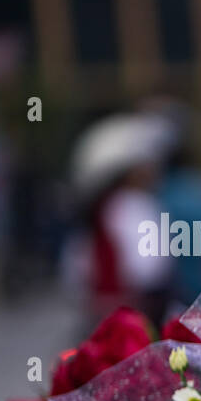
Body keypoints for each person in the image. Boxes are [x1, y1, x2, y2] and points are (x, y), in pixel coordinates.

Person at [60, 113, 174, 326]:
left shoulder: (95, 213)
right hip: (137, 323)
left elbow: (74, 279)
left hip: (98, 324)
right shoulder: (137, 206)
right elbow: (154, 272)